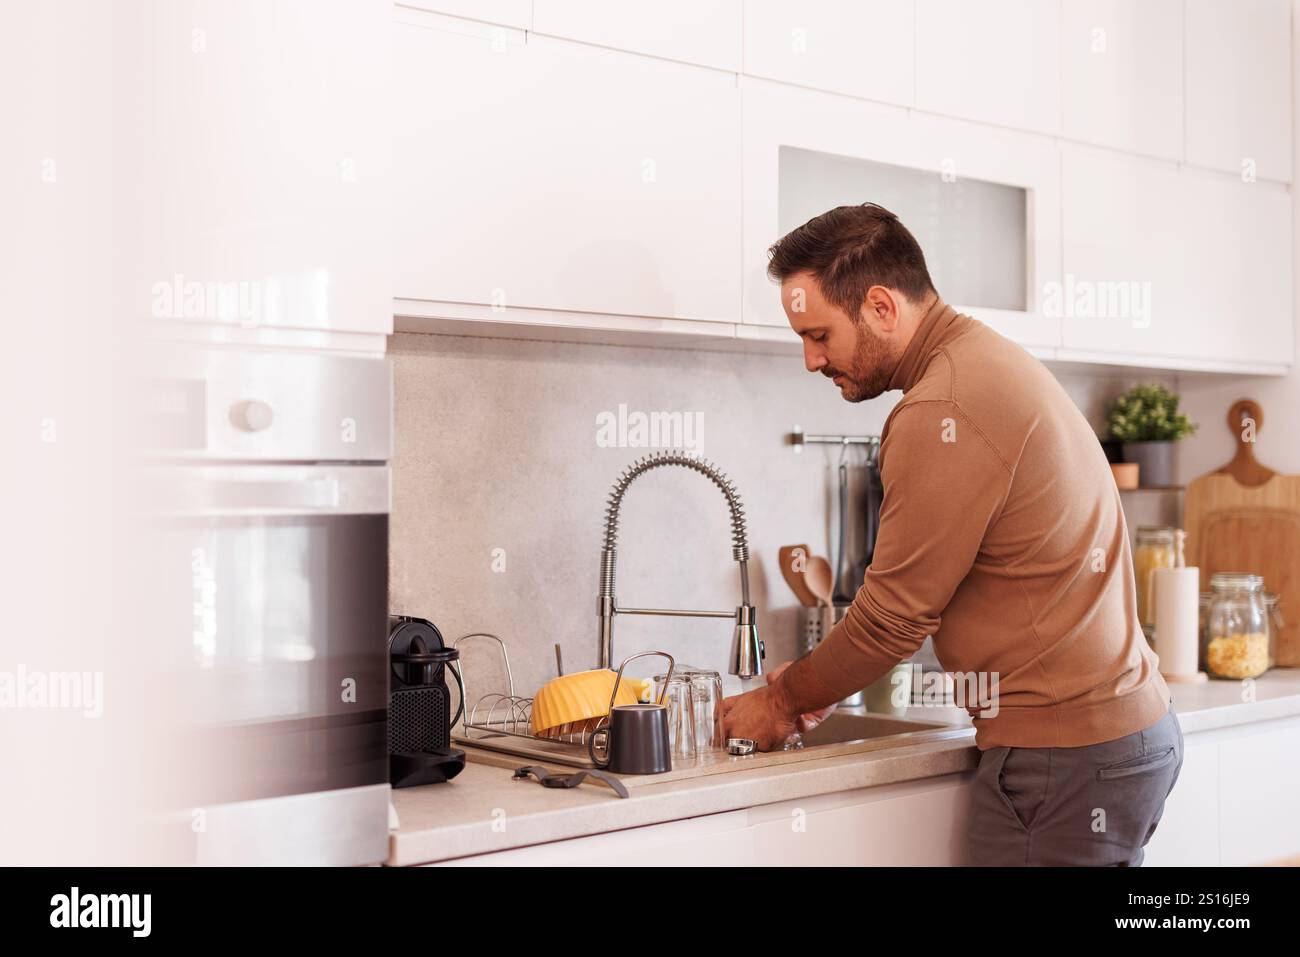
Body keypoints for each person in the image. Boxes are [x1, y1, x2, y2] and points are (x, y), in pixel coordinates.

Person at [719, 203, 1183, 866]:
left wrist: (783, 700)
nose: (810, 359)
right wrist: (811, 681)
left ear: (881, 306)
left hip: (1064, 757)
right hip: (1116, 738)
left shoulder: (943, 405)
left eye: (818, 334)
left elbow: (891, 622)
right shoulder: (982, 361)